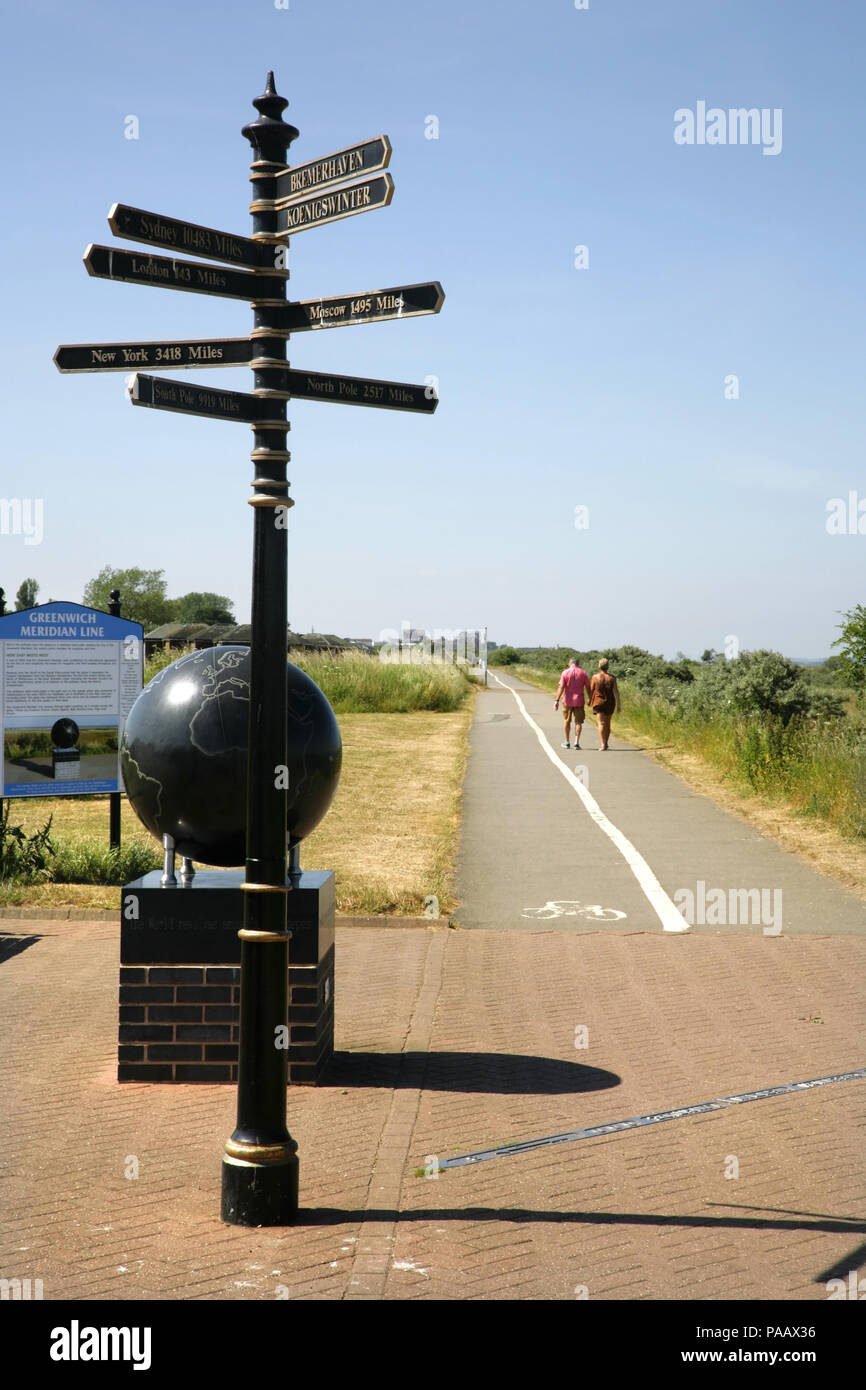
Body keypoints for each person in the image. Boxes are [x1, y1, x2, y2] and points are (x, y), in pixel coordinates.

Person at [554, 656, 592, 749]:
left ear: (569, 664)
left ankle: (567, 742)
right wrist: (590, 698)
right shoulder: (583, 673)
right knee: (578, 722)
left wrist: (557, 700)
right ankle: (576, 743)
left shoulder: (565, 672)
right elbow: (588, 687)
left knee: (567, 721)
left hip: (567, 700)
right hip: (579, 700)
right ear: (578, 664)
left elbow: (561, 687)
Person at [589, 657, 621, 750]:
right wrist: (619, 704)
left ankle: (602, 744)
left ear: (599, 666)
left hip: (598, 702)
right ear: (608, 666)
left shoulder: (595, 677)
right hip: (610, 702)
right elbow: (616, 691)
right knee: (607, 723)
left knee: (601, 723)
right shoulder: (612, 678)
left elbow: (591, 690)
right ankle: (606, 743)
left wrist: (589, 700)